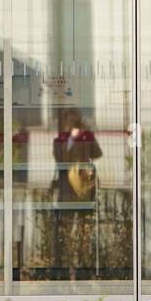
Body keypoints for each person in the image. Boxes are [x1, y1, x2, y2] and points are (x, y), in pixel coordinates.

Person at [51, 109, 102, 278]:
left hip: (80, 190)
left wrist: (83, 139)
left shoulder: (82, 138)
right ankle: (69, 266)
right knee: (68, 229)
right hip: (70, 190)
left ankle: (80, 266)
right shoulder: (60, 140)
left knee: (80, 230)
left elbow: (97, 153)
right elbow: (60, 161)